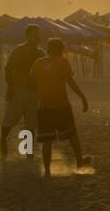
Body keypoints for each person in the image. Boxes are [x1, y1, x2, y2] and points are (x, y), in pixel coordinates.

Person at [29, 37, 92, 176]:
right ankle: (79, 162)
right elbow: (70, 82)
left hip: (44, 107)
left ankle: (47, 171)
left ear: (48, 49)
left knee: (47, 140)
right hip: (61, 106)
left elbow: (32, 83)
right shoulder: (62, 62)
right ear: (61, 50)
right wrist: (83, 98)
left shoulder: (38, 63)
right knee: (72, 135)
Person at [0, 24, 44, 158]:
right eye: (34, 34)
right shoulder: (19, 51)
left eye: (38, 34)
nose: (37, 37)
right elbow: (8, 69)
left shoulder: (40, 53)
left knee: (31, 123)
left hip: (34, 91)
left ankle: (28, 150)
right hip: (18, 89)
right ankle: (3, 140)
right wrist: (10, 87)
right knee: (11, 118)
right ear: (27, 36)